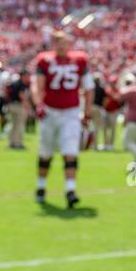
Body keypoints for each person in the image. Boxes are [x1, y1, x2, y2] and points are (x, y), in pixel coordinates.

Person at [30, 31, 91, 208]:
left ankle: (70, 190)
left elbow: (88, 88)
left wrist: (87, 111)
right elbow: (37, 85)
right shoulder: (45, 60)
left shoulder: (80, 60)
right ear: (54, 45)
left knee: (70, 151)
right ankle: (41, 186)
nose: (62, 46)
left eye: (64, 43)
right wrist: (38, 104)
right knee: (46, 152)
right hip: (50, 111)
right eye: (59, 43)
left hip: (71, 112)